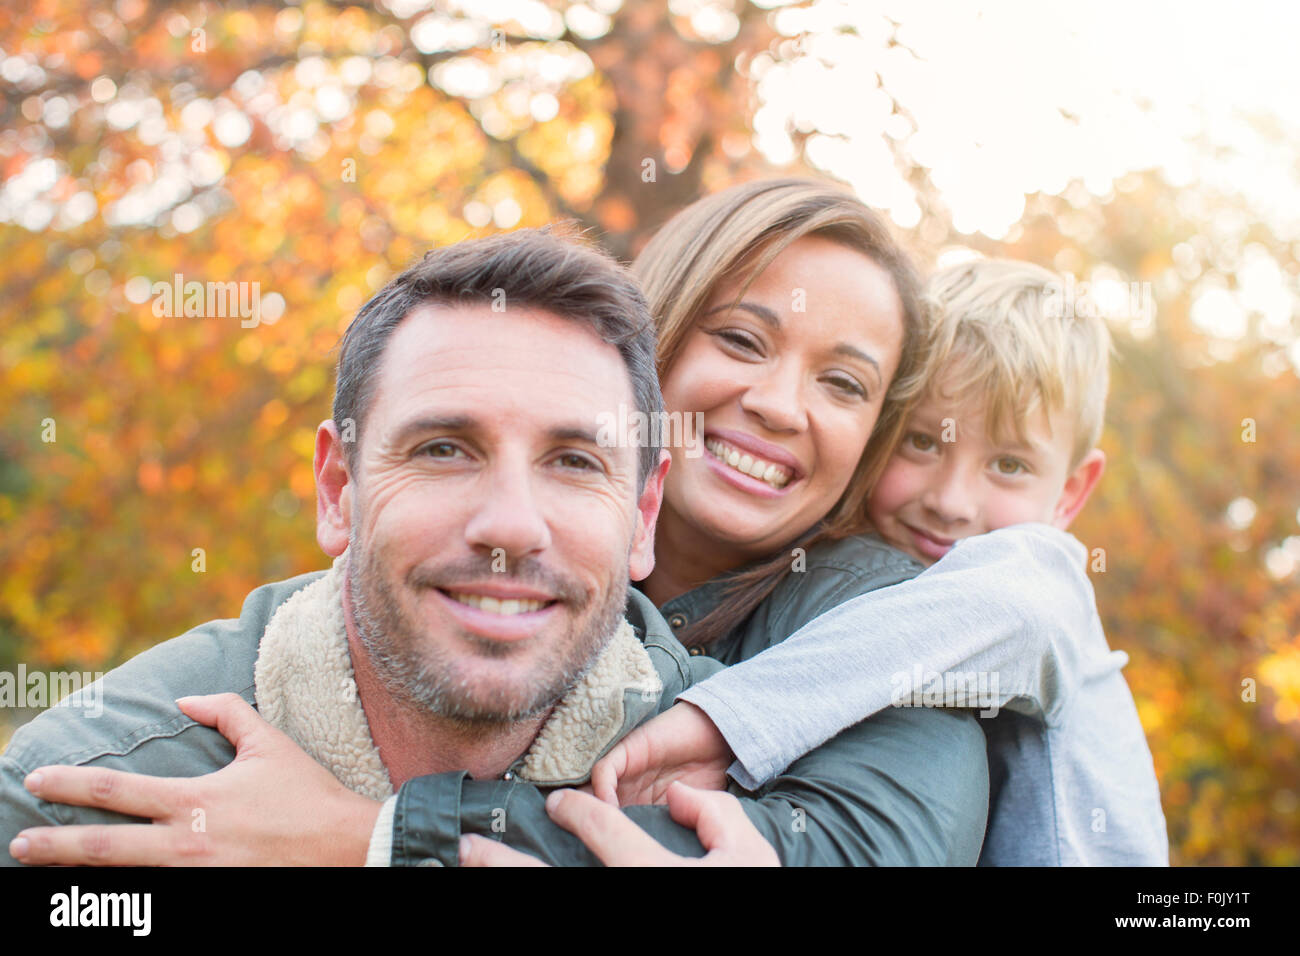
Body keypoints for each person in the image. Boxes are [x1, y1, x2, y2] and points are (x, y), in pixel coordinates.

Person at [3, 194, 992, 866]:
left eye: (574, 459)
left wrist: (370, 839)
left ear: (638, 506)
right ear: (336, 487)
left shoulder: (895, 624)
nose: (778, 403)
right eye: (443, 449)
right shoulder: (109, 790)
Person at [583, 259, 1170, 866]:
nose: (951, 501)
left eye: (1010, 465)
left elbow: (1015, 610)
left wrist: (728, 720)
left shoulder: (1043, 575)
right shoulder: (848, 588)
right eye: (922, 442)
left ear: (1071, 493)